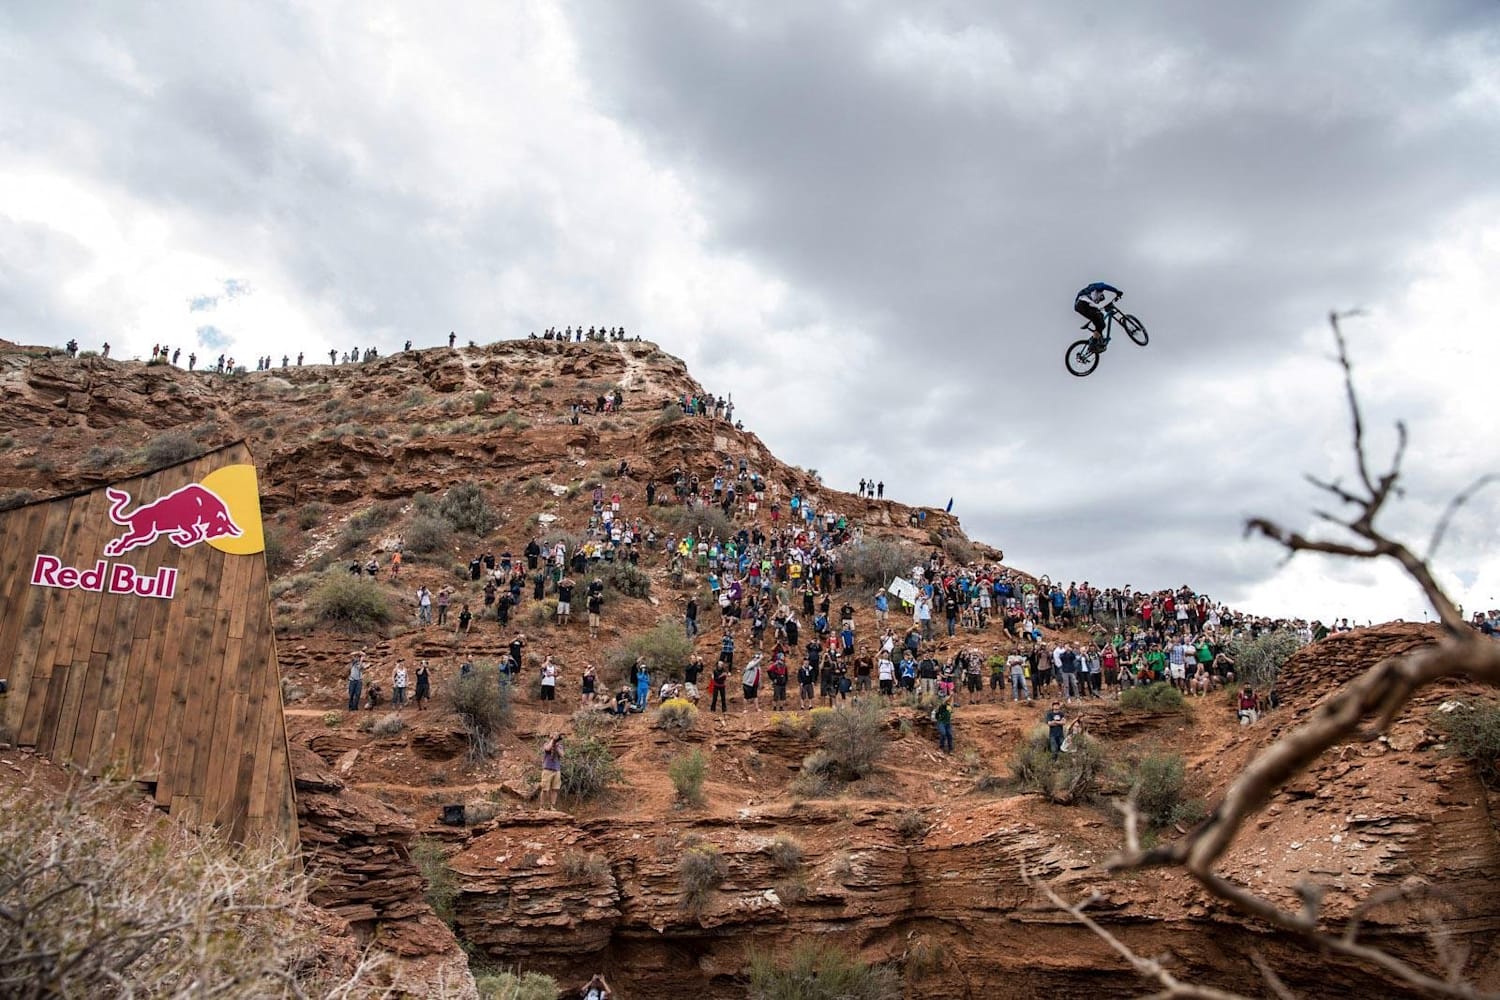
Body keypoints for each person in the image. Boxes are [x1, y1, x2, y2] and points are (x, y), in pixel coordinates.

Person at [1074, 281, 1122, 350]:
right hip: (1083, 303)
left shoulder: (1088, 291)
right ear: (1100, 294)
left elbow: (1093, 306)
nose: (1098, 301)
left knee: (1100, 320)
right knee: (1101, 322)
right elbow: (1104, 286)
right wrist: (1116, 291)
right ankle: (1094, 343)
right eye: (1099, 299)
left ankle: (1097, 339)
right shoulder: (1097, 287)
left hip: (1078, 306)